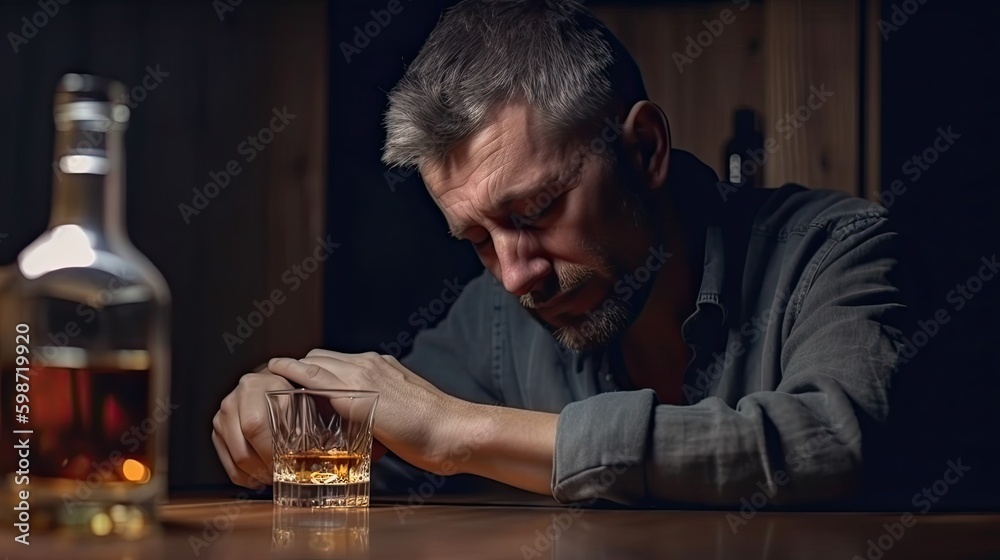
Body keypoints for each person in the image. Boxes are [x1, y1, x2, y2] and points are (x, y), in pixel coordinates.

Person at [211, 0, 907, 506]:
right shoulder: (496, 317)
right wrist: (281, 418)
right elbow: (386, 443)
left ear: (645, 149)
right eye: (479, 240)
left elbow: (831, 444)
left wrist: (461, 431)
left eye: (539, 210)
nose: (517, 276)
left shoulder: (835, 249)